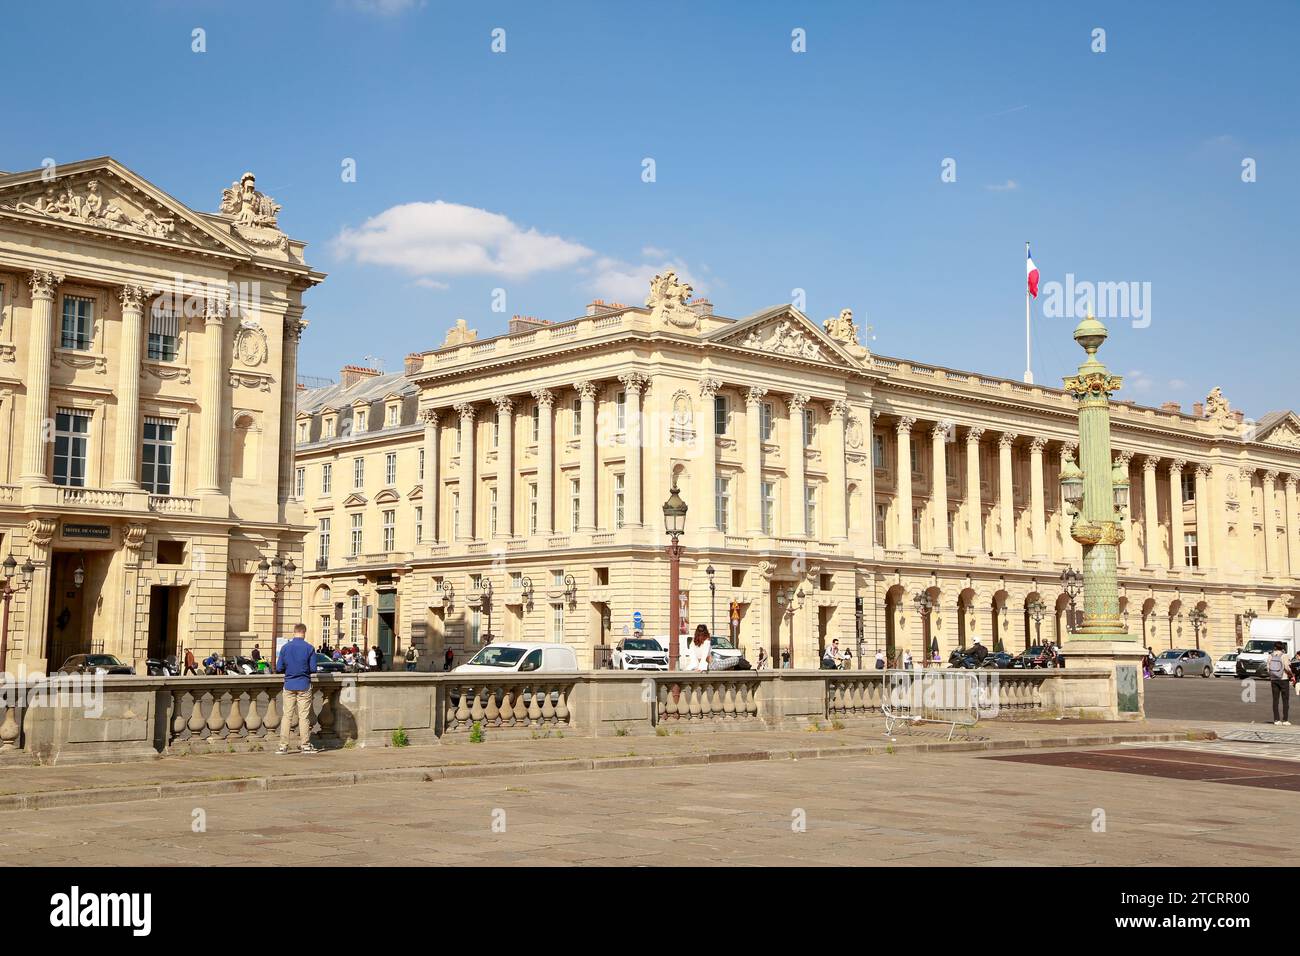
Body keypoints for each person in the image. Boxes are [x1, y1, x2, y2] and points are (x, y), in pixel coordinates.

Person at [275, 623, 319, 755]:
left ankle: (283, 746)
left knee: (287, 716)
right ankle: (305, 745)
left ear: (294, 632)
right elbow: (313, 669)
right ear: (304, 633)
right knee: (303, 716)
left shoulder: (285, 648)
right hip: (304, 685)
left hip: (289, 685)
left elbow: (279, 668)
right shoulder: (309, 648)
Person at [1267, 642, 1293, 726]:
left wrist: (1272, 675)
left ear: (1274, 647)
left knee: (1275, 700)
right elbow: (1287, 667)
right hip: (1283, 679)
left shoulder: (1270, 656)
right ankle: (1285, 720)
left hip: (1274, 679)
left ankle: (1276, 720)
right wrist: (1291, 674)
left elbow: (1268, 668)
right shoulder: (1284, 656)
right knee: (1285, 700)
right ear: (1282, 647)